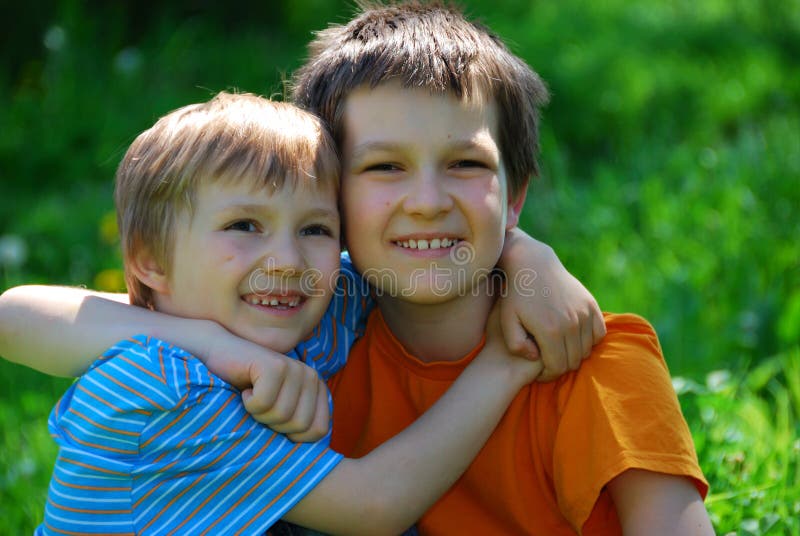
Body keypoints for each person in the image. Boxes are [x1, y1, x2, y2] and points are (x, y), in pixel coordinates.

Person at [29, 91, 553, 535]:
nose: (287, 261)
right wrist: (506, 364)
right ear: (150, 259)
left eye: (315, 230)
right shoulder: (165, 390)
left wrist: (528, 257)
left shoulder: (307, 308)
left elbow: (416, 256)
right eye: (244, 226)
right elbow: (376, 505)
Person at [285, 2, 714, 534]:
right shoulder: (309, 349)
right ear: (326, 194)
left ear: (516, 197)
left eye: (466, 164)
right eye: (384, 166)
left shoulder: (597, 368)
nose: (426, 201)